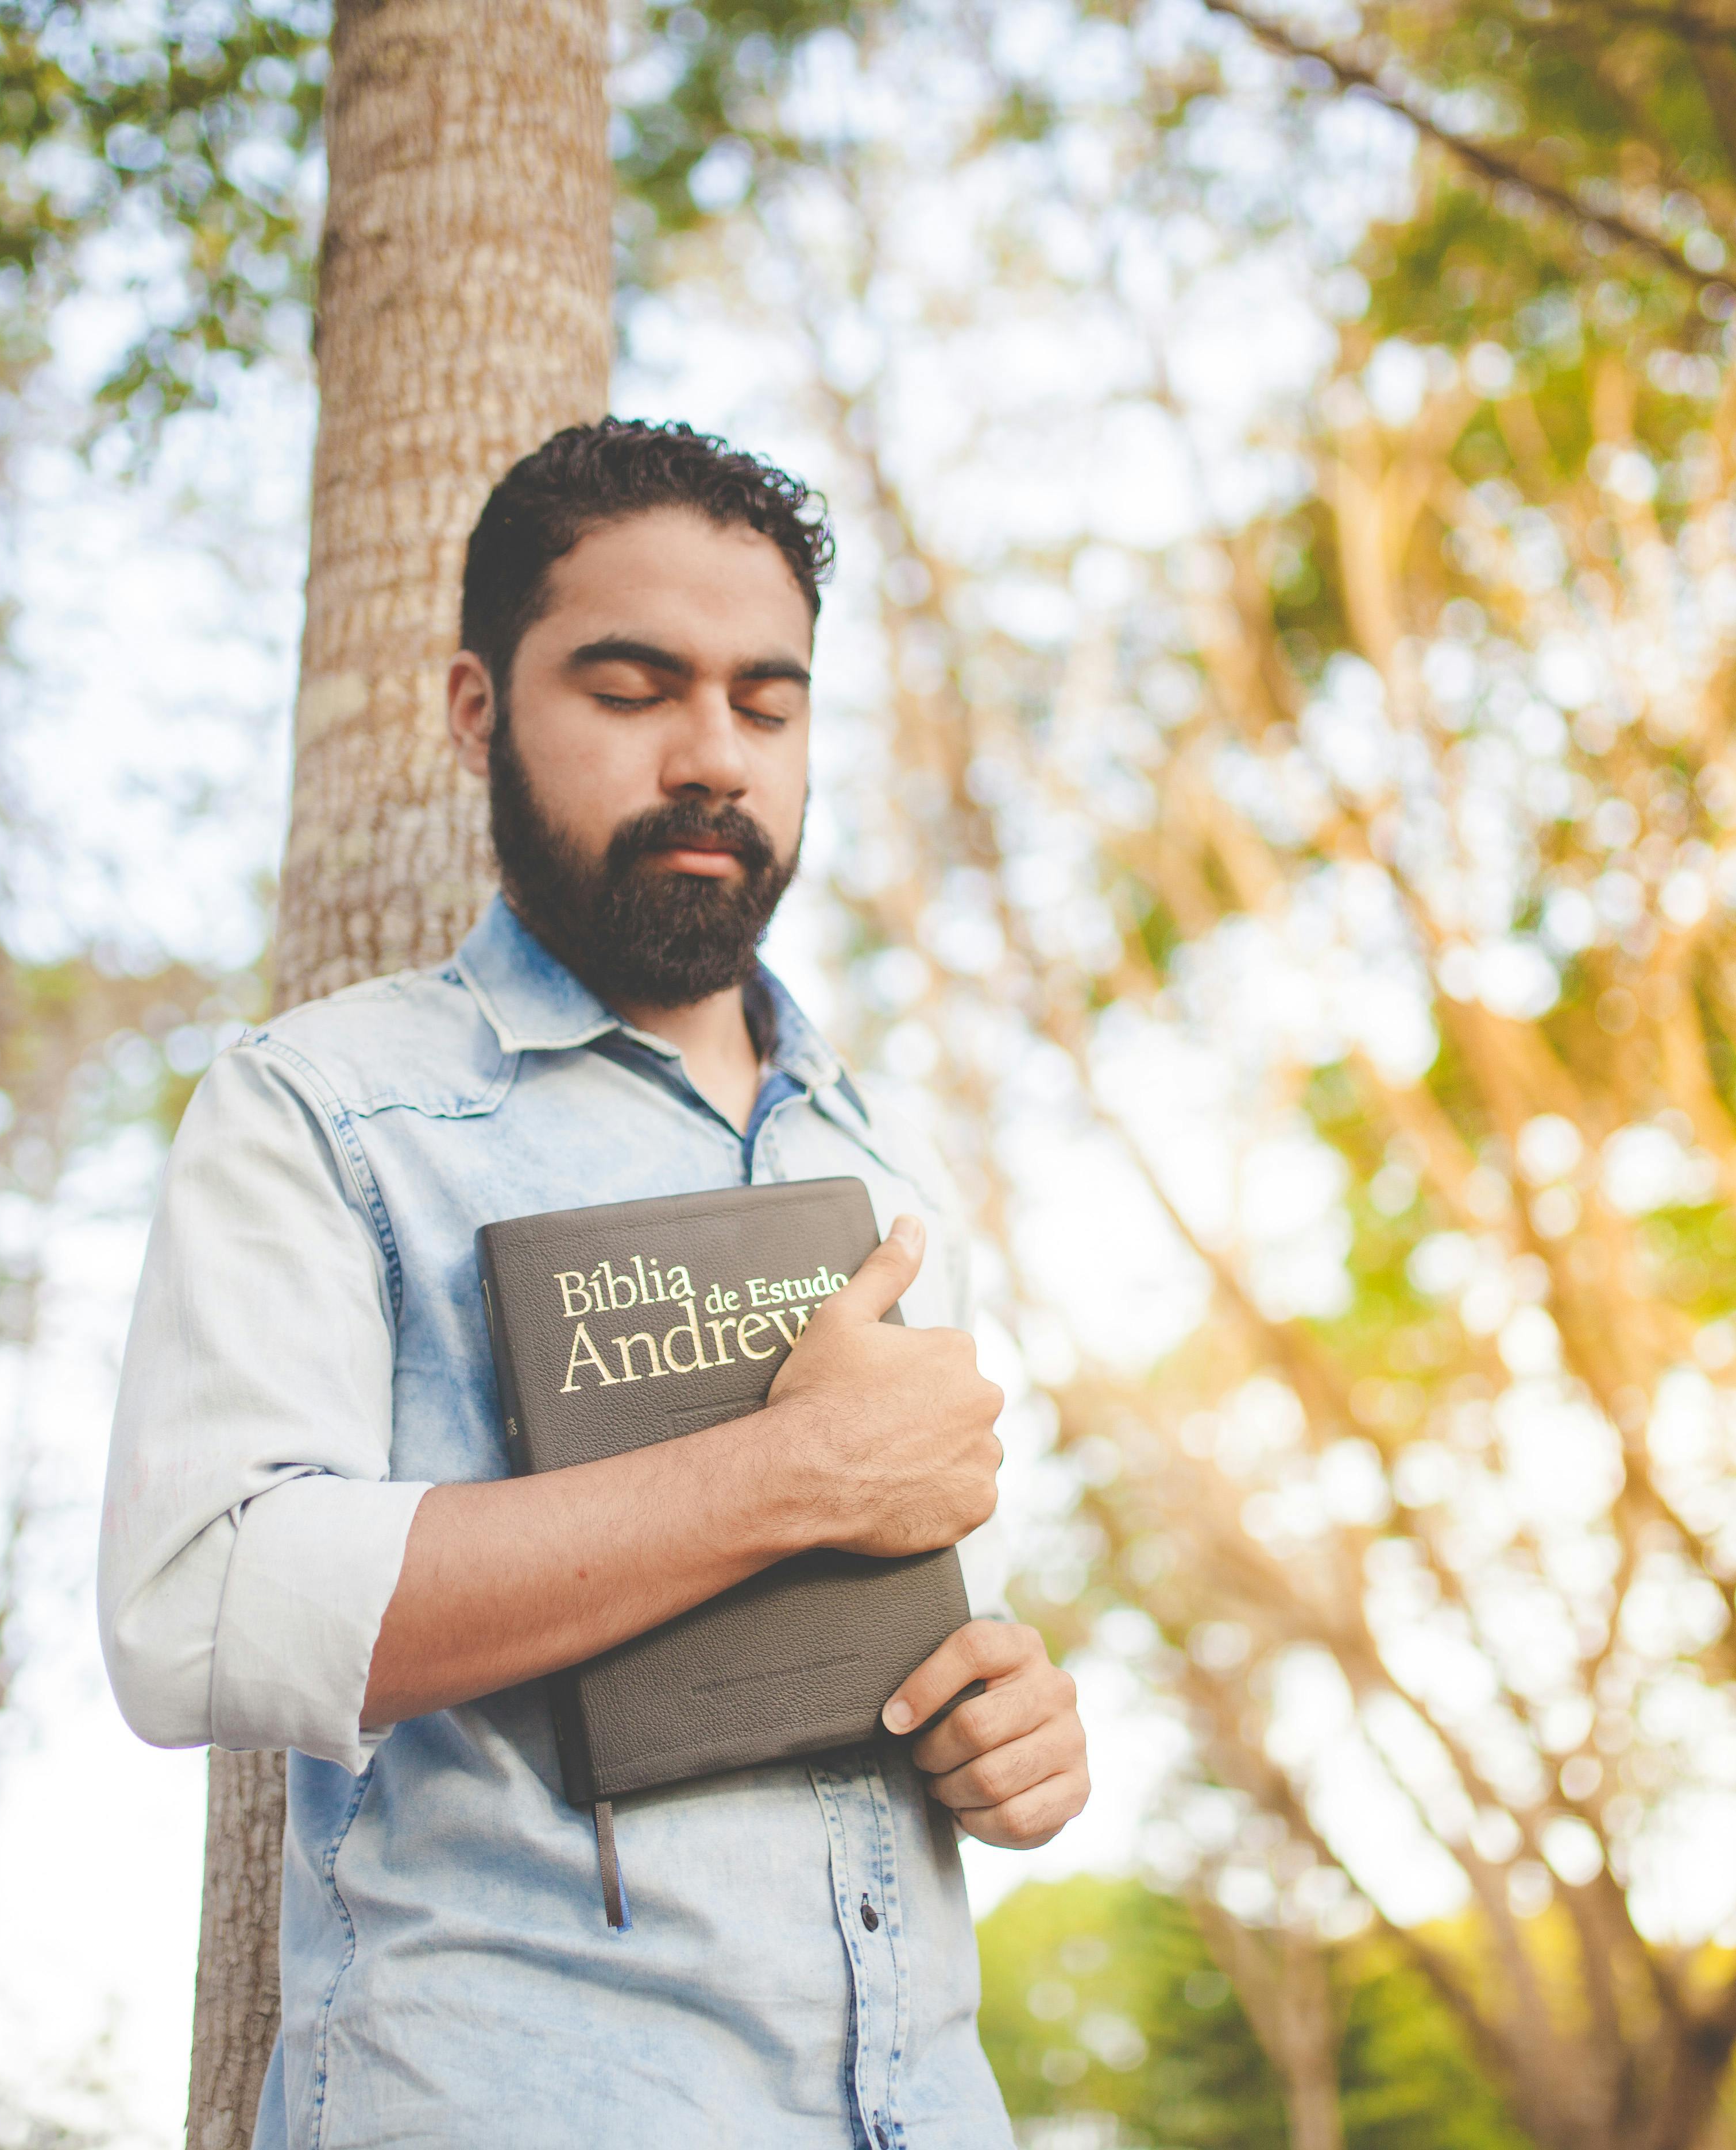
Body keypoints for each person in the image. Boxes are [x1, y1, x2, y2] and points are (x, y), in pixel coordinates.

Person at [97, 419, 1089, 2149]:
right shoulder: (329, 1109)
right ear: (481, 708)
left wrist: (1015, 1726)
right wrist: (788, 1475)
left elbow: (914, 1625)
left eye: (767, 706)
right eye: (634, 690)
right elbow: (195, 1605)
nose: (714, 756)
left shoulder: (885, 1171)